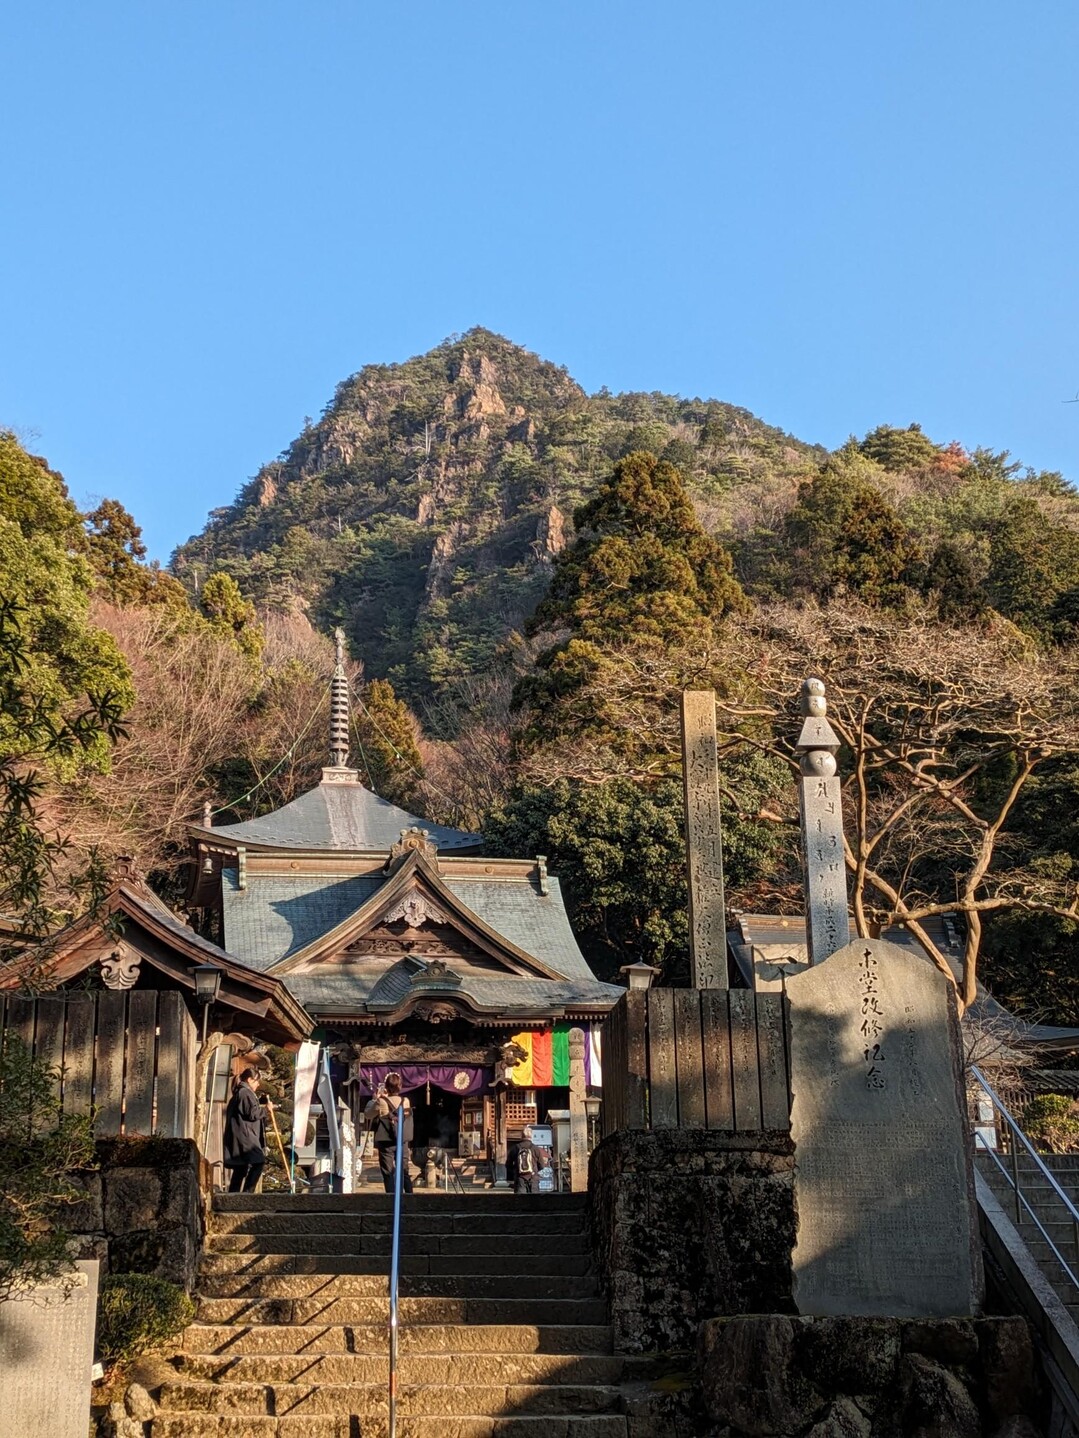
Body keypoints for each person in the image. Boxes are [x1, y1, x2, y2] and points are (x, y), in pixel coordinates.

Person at [364, 1072, 414, 1194]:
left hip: (386, 1140)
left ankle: (391, 1197)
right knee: (404, 1170)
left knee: (388, 1172)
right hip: (402, 1139)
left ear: (386, 1087)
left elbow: (368, 1114)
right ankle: (409, 1197)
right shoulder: (406, 1101)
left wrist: (374, 1099)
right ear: (400, 1086)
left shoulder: (381, 1102)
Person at [223, 1068, 266, 1193]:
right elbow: (252, 1114)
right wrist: (266, 1110)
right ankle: (248, 1192)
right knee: (258, 1161)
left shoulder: (240, 1092)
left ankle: (234, 1194)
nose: (258, 1084)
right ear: (250, 1080)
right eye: (256, 1081)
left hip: (240, 1134)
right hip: (245, 1136)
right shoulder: (245, 1093)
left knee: (240, 1167)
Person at [515, 1124, 548, 1195]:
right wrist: (534, 1170)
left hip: (520, 1179)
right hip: (533, 1178)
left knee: (520, 1202)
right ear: (531, 1136)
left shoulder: (516, 1148)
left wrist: (517, 1170)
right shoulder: (535, 1148)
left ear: (522, 1136)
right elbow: (542, 1165)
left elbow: (508, 1165)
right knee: (534, 1202)